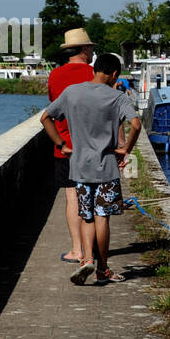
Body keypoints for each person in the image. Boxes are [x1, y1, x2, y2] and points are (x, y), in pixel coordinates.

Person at [41, 52, 142, 285]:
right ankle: (103, 269)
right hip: (106, 167)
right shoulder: (117, 97)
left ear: (95, 68)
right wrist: (126, 148)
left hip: (79, 167)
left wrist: (61, 145)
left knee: (86, 217)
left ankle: (86, 259)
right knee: (102, 217)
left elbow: (46, 117)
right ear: (114, 74)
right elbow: (135, 124)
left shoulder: (72, 92)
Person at [48, 28, 96, 264]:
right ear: (85, 49)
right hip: (94, 146)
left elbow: (52, 110)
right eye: (91, 47)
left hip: (66, 146)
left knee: (72, 197)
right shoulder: (96, 73)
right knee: (95, 196)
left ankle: (77, 250)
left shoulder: (55, 75)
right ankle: (92, 250)